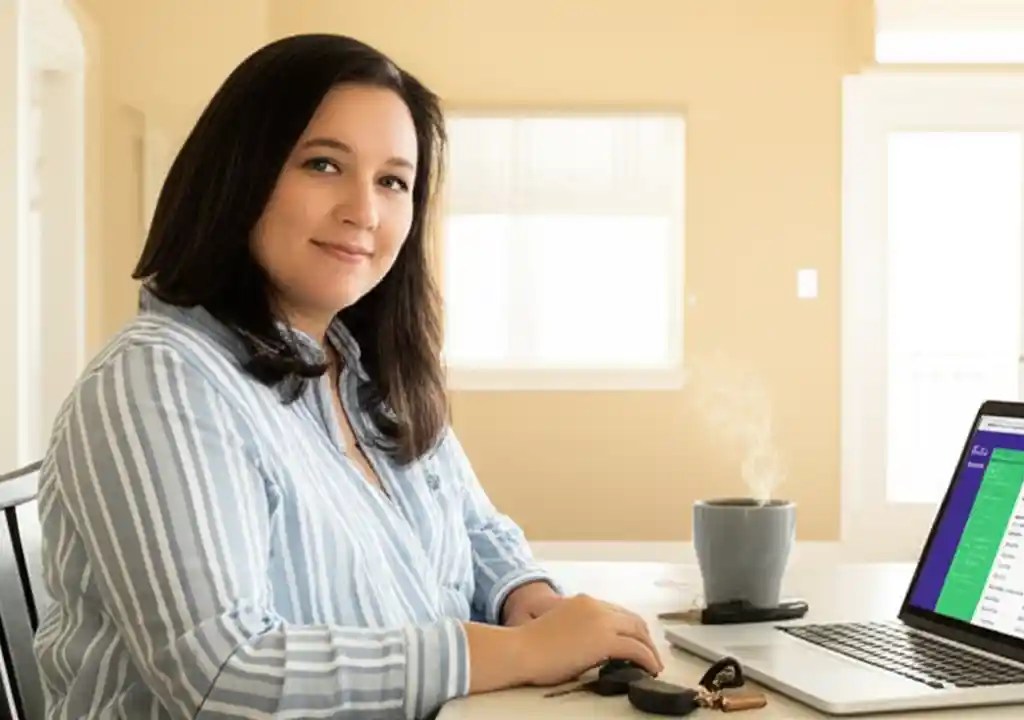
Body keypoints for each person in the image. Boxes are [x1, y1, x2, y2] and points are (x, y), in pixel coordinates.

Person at [32, 33, 663, 719]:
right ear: (240, 173)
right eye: (324, 164)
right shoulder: (157, 380)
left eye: (393, 181)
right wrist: (518, 654)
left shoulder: (358, 370)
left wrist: (525, 597)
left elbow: (471, 527)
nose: (364, 211)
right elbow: (223, 676)